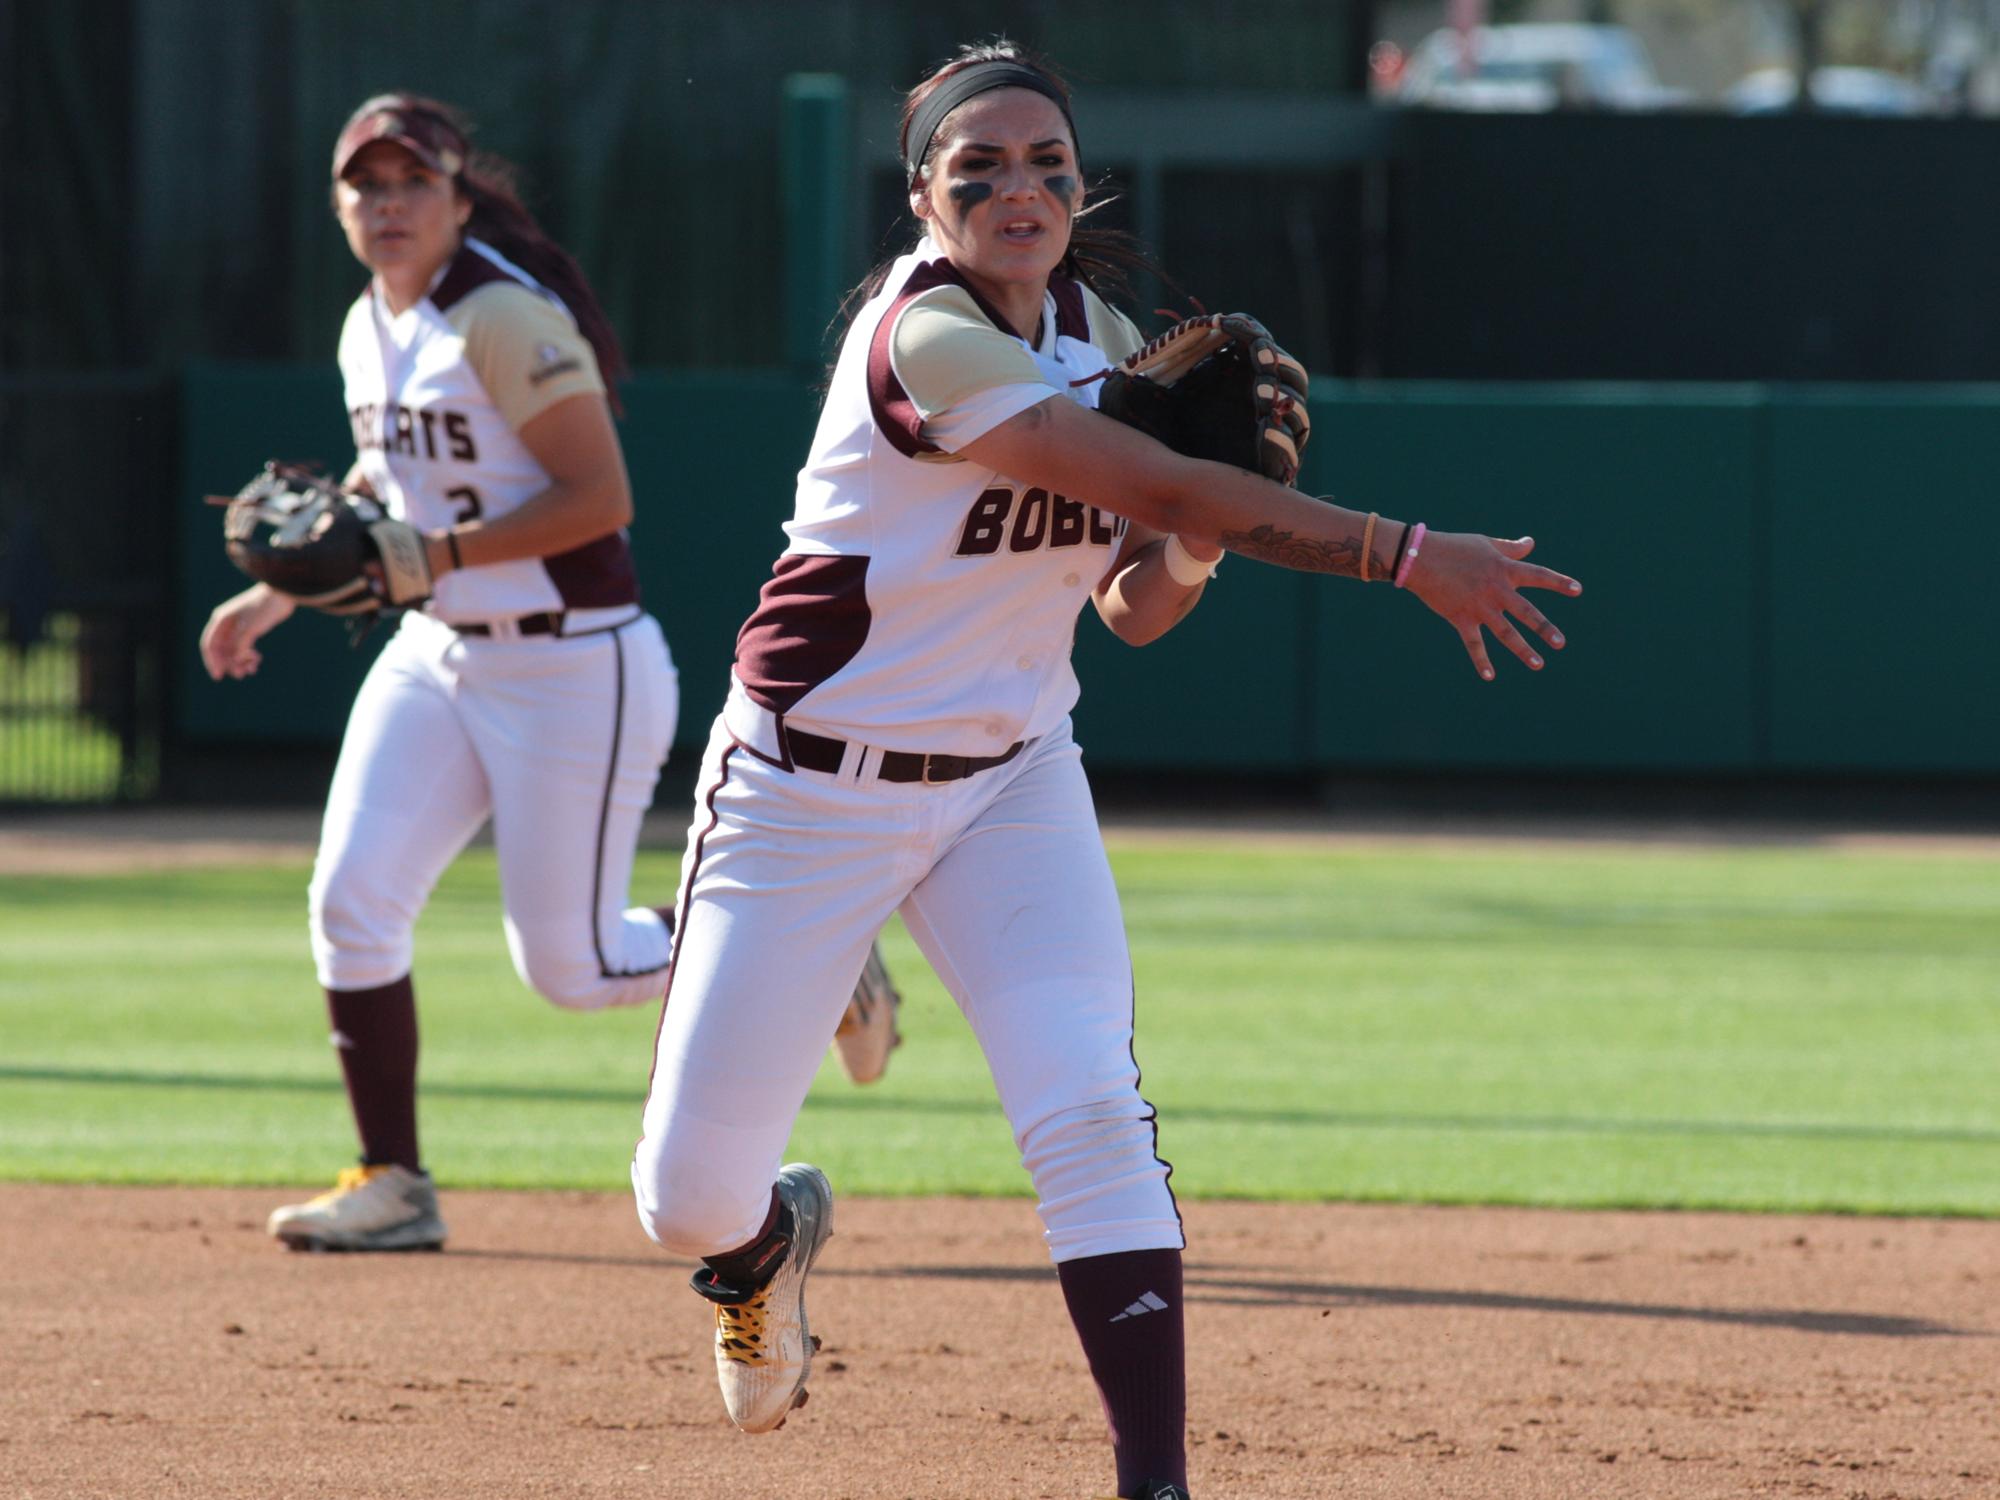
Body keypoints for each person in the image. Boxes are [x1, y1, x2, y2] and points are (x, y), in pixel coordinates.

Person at [629, 42, 1581, 1500]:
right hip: (806, 791)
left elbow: (1136, 602)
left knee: (1087, 1106)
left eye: (1047, 164)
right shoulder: (921, 338)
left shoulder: (1105, 333)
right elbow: (1147, 480)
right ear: (923, 202)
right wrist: (1394, 552)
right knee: (682, 1196)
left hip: (1009, 777)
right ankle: (766, 1240)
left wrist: (1198, 538)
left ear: (1082, 184)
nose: (1020, 188)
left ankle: (1155, 1478)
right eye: (980, 168)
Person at [198, 93, 902, 1255]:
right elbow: (385, 493)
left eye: (410, 182)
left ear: (458, 194)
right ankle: (393, 1182)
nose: (386, 205)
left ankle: (821, 955)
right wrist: (275, 594)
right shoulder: (371, 320)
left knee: (573, 970)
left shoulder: (499, 317)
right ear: (339, 205)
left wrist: (439, 555)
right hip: (439, 654)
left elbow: (600, 497)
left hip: (572, 664)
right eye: (363, 186)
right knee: (351, 903)